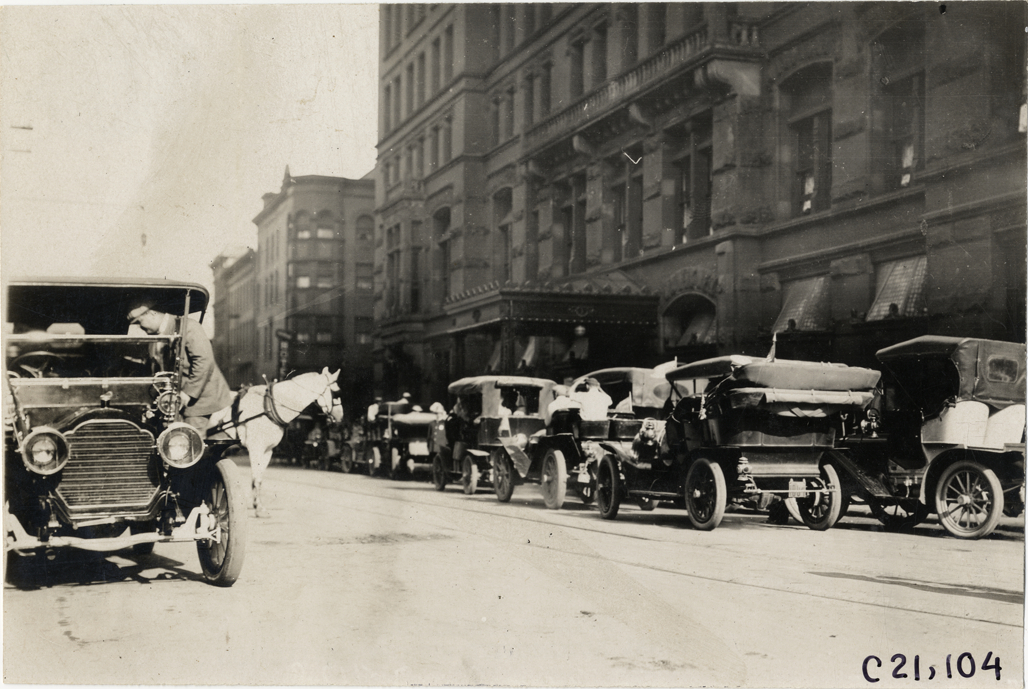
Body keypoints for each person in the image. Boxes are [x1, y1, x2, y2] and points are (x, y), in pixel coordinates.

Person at [128, 302, 232, 433]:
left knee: (187, 442)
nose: (140, 327)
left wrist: (188, 393)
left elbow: (204, 361)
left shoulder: (188, 327)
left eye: (139, 321)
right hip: (174, 402)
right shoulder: (156, 336)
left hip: (198, 403)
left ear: (152, 314)